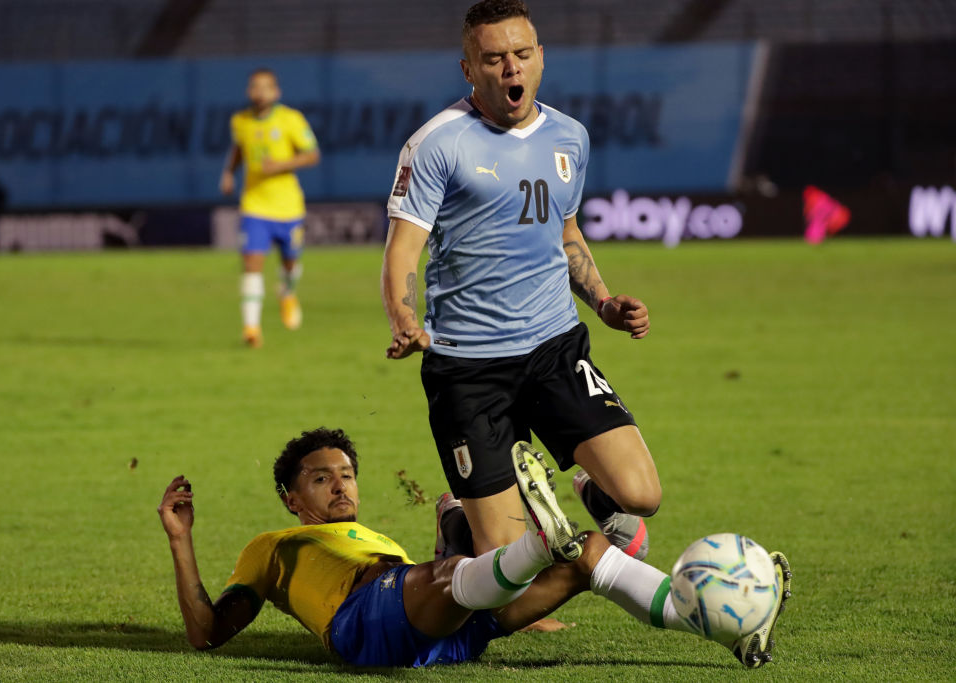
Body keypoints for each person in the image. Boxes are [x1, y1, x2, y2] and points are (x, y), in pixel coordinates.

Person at [381, 0, 655, 562]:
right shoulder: (436, 143)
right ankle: (456, 519)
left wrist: (602, 303)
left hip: (554, 348)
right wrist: (406, 320)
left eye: (522, 54)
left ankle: (576, 488)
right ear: (469, 70)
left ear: (540, 59)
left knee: (641, 494)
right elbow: (403, 248)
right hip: (469, 367)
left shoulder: (570, 138)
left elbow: (567, 231)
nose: (511, 68)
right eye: (495, 58)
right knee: (509, 571)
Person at [157, 427, 792, 668]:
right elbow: (208, 633)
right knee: (448, 571)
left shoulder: (374, 539)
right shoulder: (274, 546)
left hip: (442, 624)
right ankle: (536, 543)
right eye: (320, 479)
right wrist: (182, 542)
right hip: (365, 626)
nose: (339, 485)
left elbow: (439, 575)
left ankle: (729, 629)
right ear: (292, 500)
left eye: (346, 473)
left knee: (591, 553)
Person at [220, 68, 320, 347]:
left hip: (288, 208)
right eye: (254, 86)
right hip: (254, 205)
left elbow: (312, 154)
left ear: (276, 92)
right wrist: (229, 172)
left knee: (290, 264)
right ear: (248, 91)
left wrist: (281, 165)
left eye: (266, 87)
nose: (259, 91)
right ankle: (251, 328)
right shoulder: (239, 121)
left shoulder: (290, 119)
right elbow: (240, 147)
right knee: (251, 264)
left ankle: (287, 293)